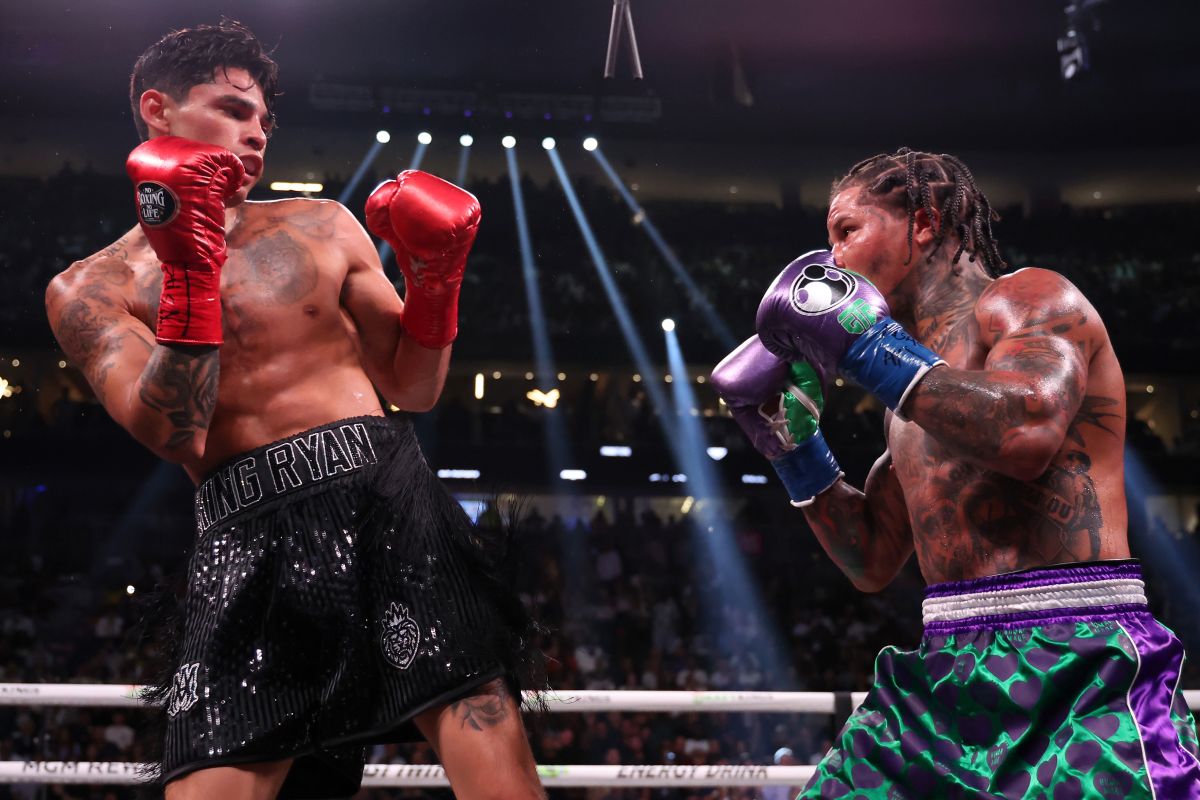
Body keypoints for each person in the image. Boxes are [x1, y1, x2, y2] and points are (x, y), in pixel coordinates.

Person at [44, 20, 544, 800]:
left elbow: (413, 386)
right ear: (157, 110)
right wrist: (191, 270)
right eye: (232, 110)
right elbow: (173, 429)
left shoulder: (322, 224)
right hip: (244, 528)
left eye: (264, 121)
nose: (255, 134)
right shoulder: (90, 288)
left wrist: (435, 283)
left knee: (483, 734)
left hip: (383, 494)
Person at [712, 148, 1200, 798]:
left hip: (1079, 658)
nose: (831, 259)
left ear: (922, 223)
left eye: (846, 231)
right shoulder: (910, 396)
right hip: (942, 669)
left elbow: (1026, 431)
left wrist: (866, 344)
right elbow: (871, 558)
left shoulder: (1031, 298)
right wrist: (794, 447)